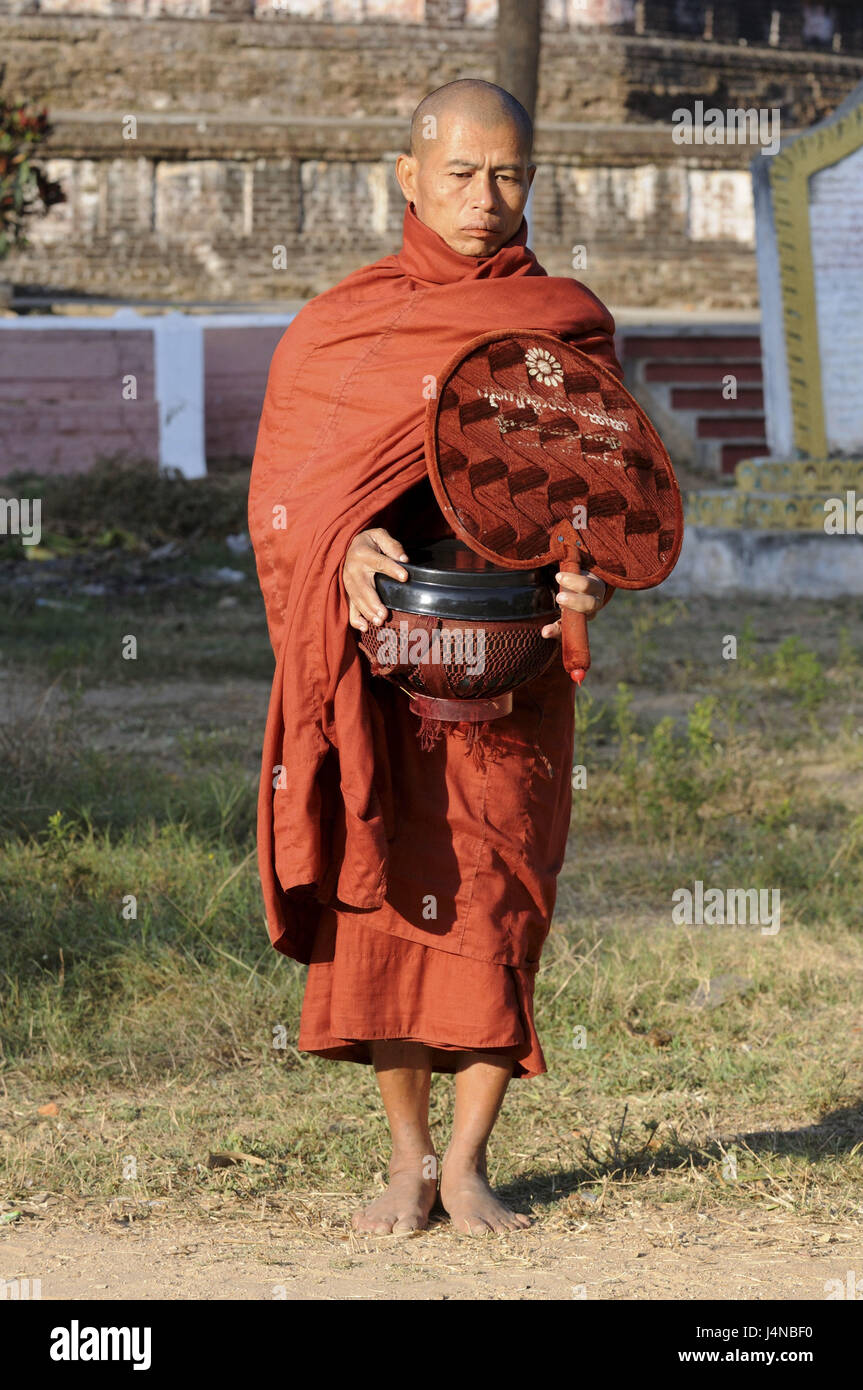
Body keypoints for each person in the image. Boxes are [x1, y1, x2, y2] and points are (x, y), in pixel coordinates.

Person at [248, 78, 620, 1236]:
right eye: (459, 174)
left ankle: (467, 1162)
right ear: (407, 179)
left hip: (507, 654)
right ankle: (405, 1159)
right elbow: (289, 495)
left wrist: (585, 573)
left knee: (499, 892)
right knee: (388, 894)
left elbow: (608, 495)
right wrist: (338, 541)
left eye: (508, 175)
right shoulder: (339, 329)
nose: (484, 199)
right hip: (382, 650)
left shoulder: (559, 320)